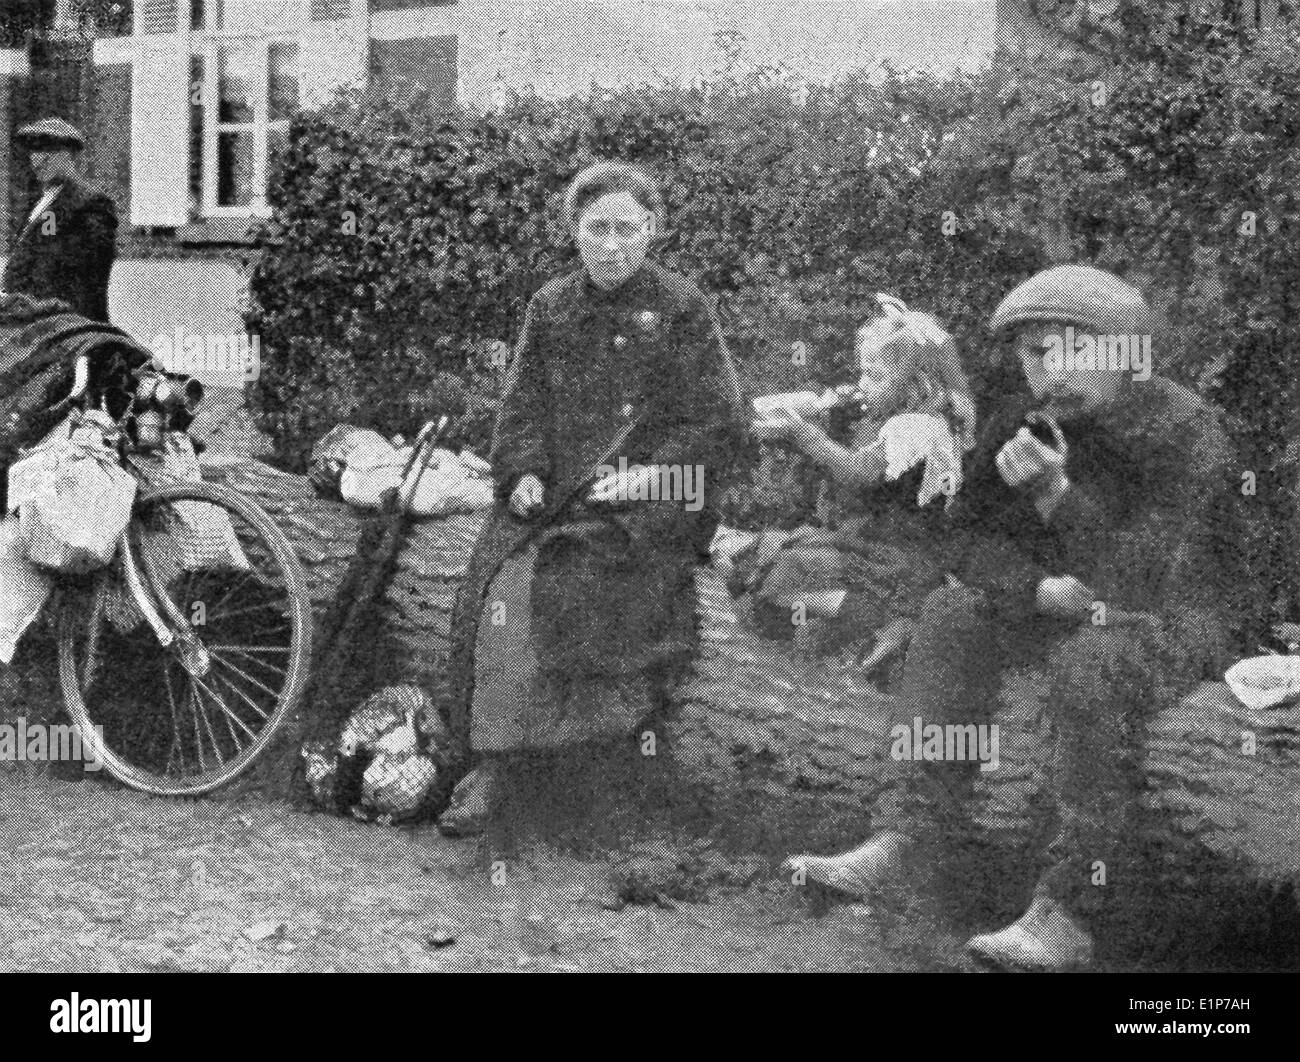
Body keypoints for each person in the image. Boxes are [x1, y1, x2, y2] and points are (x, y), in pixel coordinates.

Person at [783, 265, 1245, 970]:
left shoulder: (1185, 432)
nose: (1049, 370)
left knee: (1091, 667)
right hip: (1067, 602)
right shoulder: (1024, 418)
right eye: (1034, 353)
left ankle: (1071, 910)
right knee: (951, 611)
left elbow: (1153, 575)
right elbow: (964, 536)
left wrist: (1058, 496)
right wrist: (1032, 591)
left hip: (1178, 614)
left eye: (1071, 349)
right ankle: (911, 840)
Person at [438, 162, 746, 836]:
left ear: (653, 232)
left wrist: (648, 478)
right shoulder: (549, 305)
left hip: (655, 498)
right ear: (574, 233)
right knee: (501, 584)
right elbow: (521, 405)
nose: (611, 245)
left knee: (585, 583)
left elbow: (719, 422)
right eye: (596, 229)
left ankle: (584, 777)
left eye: (626, 230)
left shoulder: (682, 308)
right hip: (557, 492)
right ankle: (496, 763)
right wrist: (521, 471)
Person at [746, 309, 976, 668]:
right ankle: (848, 622)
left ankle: (877, 616)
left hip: (894, 557)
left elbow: (859, 472)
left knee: (786, 571)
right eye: (863, 373)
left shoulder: (922, 429)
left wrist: (805, 435)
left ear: (916, 384)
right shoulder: (891, 419)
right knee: (760, 587)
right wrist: (815, 413)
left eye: (875, 376)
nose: (864, 384)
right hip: (866, 544)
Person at [2, 118, 117, 322]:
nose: (38, 160)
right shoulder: (41, 203)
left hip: (65, 327)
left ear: (70, 156)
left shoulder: (91, 203)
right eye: (34, 151)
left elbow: (84, 278)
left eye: (49, 151)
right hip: (31, 323)